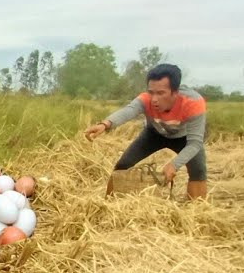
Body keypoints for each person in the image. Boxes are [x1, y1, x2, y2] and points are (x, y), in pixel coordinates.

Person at [84, 63, 208, 200]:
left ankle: (195, 213)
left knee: (198, 170)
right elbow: (129, 110)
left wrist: (174, 165)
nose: (154, 99)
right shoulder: (145, 99)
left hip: (184, 138)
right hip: (154, 133)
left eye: (161, 93)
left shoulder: (193, 102)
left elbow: (195, 143)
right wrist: (105, 124)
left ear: (175, 92)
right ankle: (108, 205)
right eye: (151, 92)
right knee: (123, 165)